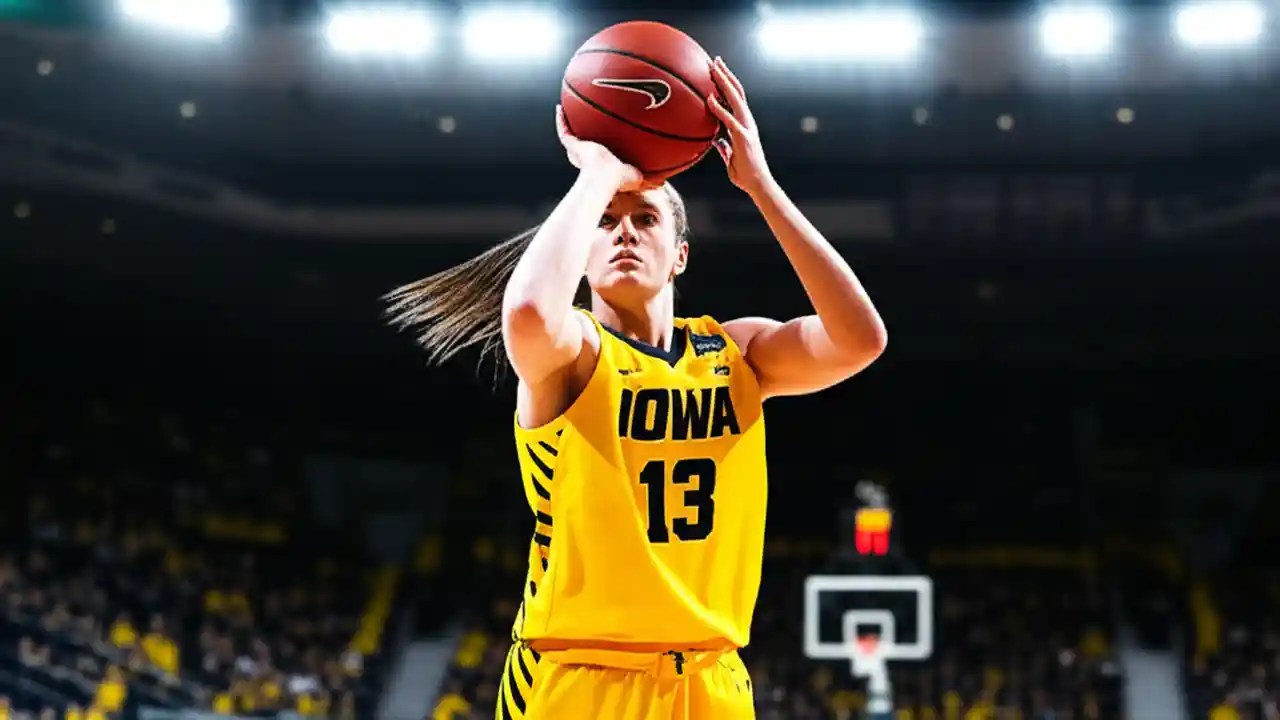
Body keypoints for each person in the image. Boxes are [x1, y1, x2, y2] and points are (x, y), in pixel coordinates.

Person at [386, 58, 887, 720]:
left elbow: (860, 340)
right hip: (579, 675)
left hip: (708, 680)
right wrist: (599, 175)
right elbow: (530, 313)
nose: (624, 229)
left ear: (680, 253)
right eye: (606, 221)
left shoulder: (736, 353)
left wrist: (761, 186)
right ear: (581, 251)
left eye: (646, 218)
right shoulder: (572, 357)